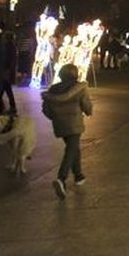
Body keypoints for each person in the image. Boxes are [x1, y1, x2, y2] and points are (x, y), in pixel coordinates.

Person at [42, 63, 93, 200]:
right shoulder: (80, 88)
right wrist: (88, 111)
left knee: (73, 147)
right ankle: (61, 178)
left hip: (60, 125)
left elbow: (46, 110)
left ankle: (78, 175)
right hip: (74, 123)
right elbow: (86, 105)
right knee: (71, 149)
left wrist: (56, 117)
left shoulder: (52, 91)